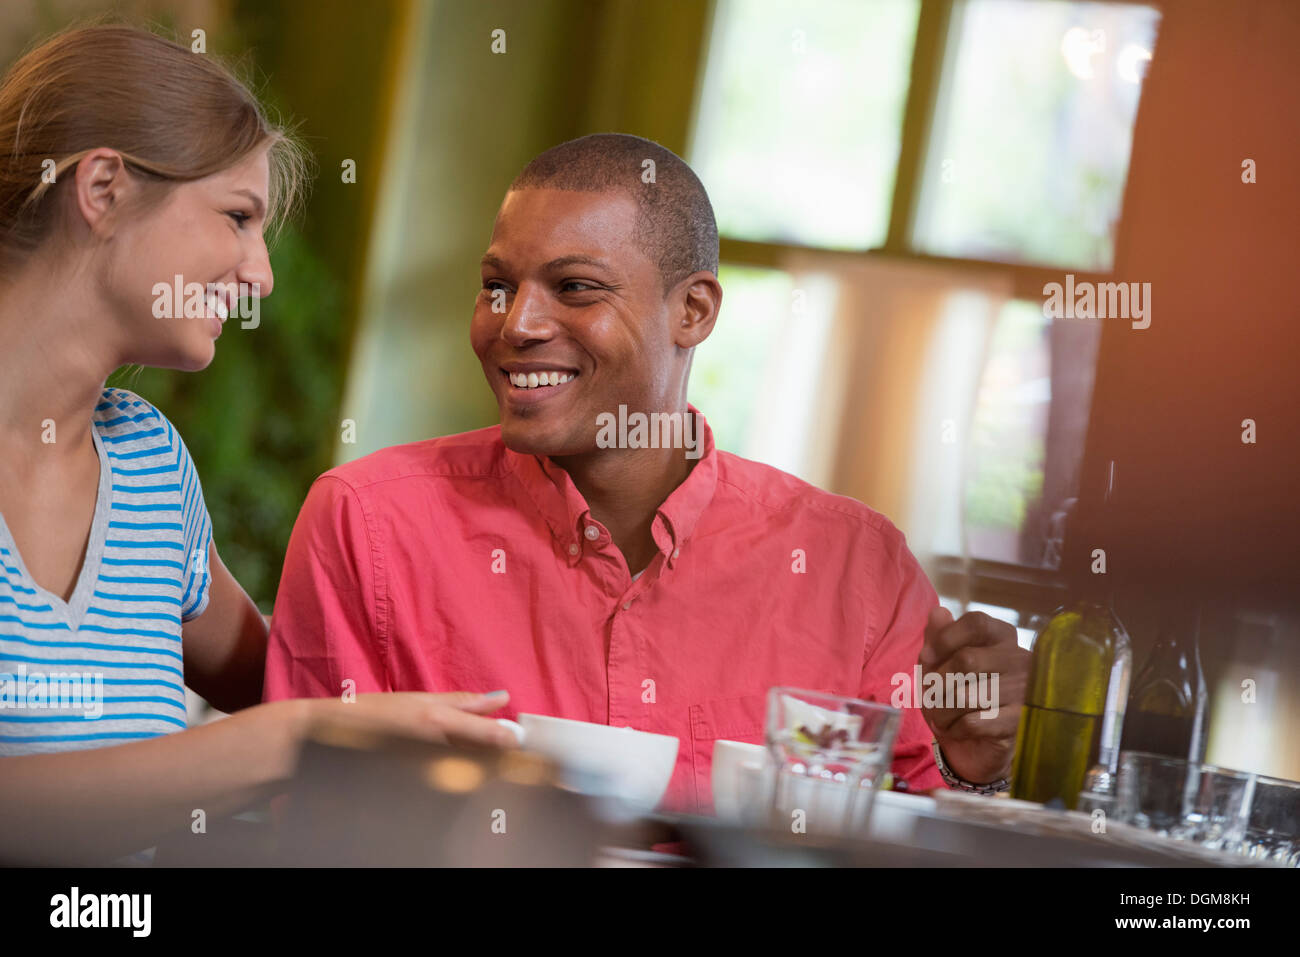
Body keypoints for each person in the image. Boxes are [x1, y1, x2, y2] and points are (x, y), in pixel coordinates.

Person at [264, 133, 1031, 812]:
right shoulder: (368, 522)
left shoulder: (856, 566)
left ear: (692, 311)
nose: (515, 324)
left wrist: (976, 769)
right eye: (498, 285)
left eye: (574, 288)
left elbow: (921, 834)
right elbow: (319, 824)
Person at [0, 24, 514, 865]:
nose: (261, 275)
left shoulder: (149, 466)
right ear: (102, 189)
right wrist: (293, 737)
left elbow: (295, 672)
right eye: (237, 216)